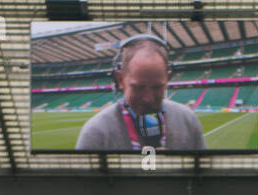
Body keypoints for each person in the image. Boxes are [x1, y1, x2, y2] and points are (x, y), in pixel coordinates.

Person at [75, 34, 206, 152]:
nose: (148, 98)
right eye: (138, 88)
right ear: (120, 79)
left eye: (156, 87)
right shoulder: (96, 132)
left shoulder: (189, 121)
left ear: (168, 79)